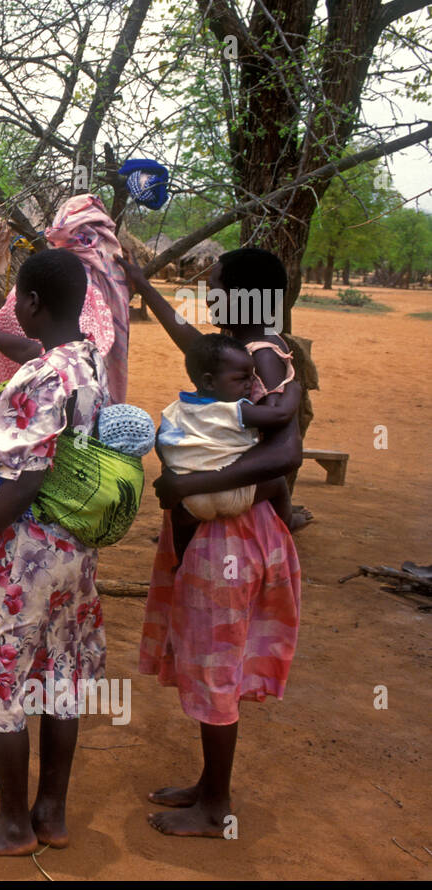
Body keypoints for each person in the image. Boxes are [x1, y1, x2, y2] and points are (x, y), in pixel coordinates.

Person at [117, 247, 303, 838]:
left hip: (234, 537)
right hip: (213, 534)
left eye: (216, 282)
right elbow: (184, 335)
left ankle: (216, 804)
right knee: (205, 657)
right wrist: (139, 281)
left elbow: (284, 454)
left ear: (243, 293)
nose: (208, 290)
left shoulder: (265, 357)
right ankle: (208, 784)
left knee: (217, 663)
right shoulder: (237, 352)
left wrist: (189, 484)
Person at [0, 248, 109, 856]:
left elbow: (26, 479)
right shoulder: (88, 364)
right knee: (59, 680)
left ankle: (12, 826)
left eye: (17, 300)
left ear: (32, 303)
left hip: (26, 554)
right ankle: (51, 816)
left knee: (3, 687)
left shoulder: (41, 378)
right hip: (75, 554)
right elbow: (38, 357)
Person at [158, 332, 294, 530]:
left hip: (190, 500)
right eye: (242, 379)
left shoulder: (177, 409)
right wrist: (293, 390)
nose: (251, 384)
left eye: (252, 377)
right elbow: (280, 414)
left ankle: (180, 558)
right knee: (277, 482)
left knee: (179, 521)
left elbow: (161, 443)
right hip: (230, 493)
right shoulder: (235, 411)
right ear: (209, 382)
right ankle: (289, 521)